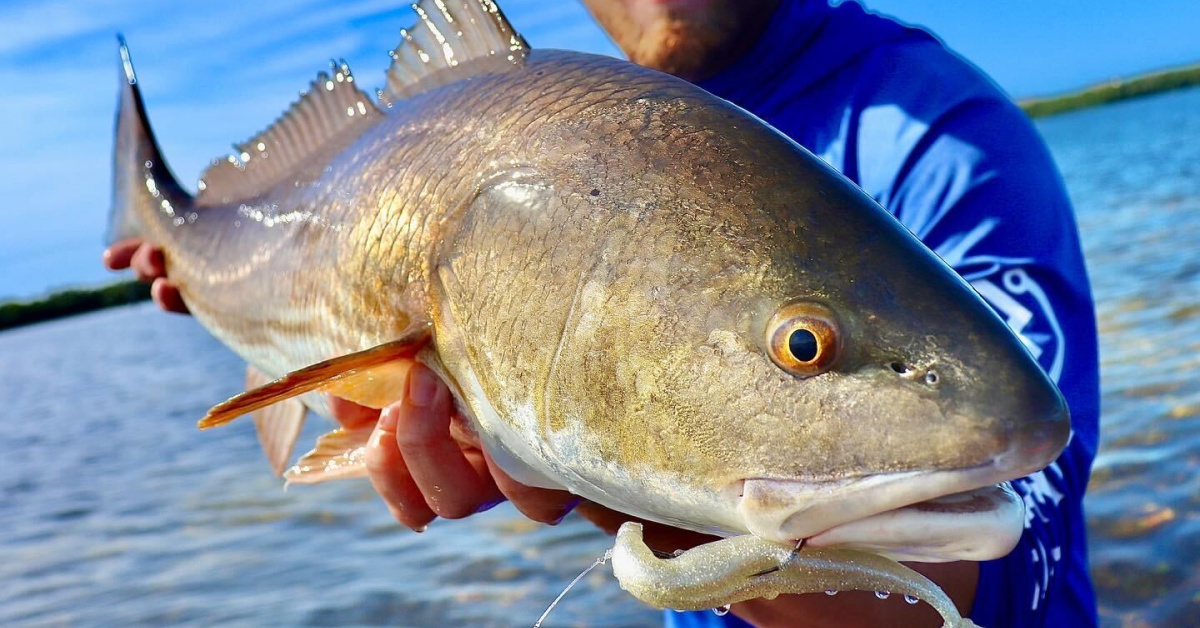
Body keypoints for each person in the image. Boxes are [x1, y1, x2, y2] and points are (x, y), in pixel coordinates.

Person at [104, 1, 1100, 626]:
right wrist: (202, 269)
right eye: (801, 342)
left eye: (804, 345)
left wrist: (609, 491)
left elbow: (1012, 581)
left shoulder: (946, 140)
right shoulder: (572, 127)